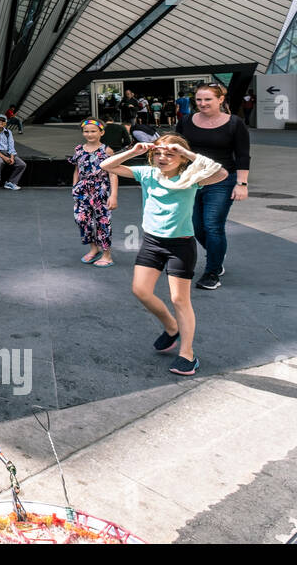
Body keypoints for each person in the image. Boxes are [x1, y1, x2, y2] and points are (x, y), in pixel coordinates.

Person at [101, 136, 228, 377]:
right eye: (158, 153)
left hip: (180, 245)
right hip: (152, 242)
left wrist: (187, 153)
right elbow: (106, 166)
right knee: (140, 291)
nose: (163, 158)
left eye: (170, 154)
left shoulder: (192, 177)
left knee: (179, 299)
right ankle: (171, 327)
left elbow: (221, 174)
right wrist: (133, 150)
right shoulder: (148, 174)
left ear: (181, 157)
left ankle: (187, 354)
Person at [174, 83, 250, 290]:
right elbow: (177, 148)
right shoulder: (187, 121)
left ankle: (212, 271)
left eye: (208, 99)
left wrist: (241, 184)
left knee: (213, 225)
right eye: (199, 99)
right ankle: (217, 253)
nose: (202, 103)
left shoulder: (234, 123)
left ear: (220, 100)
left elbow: (243, 155)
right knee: (196, 226)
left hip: (222, 180)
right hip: (193, 180)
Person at [69, 119, 118, 267]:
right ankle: (93, 248)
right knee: (82, 220)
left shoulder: (107, 151)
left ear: (101, 132)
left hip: (101, 190)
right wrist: (74, 187)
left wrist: (113, 195)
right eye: (86, 131)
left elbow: (113, 173)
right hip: (82, 190)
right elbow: (77, 169)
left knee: (103, 221)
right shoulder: (79, 149)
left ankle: (107, 254)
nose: (89, 134)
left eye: (93, 131)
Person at [0, 114, 26, 190]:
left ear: (6, 122)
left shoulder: (8, 132)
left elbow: (11, 146)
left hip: (6, 152)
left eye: (3, 120)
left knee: (21, 164)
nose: (0, 122)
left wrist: (12, 157)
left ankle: (10, 183)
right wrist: (4, 158)